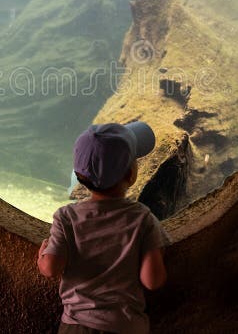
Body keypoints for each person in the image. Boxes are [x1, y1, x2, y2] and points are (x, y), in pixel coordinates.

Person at [37, 122, 170, 334]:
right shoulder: (143, 218)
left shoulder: (66, 217)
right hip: (126, 327)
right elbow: (152, 280)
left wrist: (43, 257)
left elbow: (51, 268)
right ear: (130, 175)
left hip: (76, 326)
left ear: (79, 177)